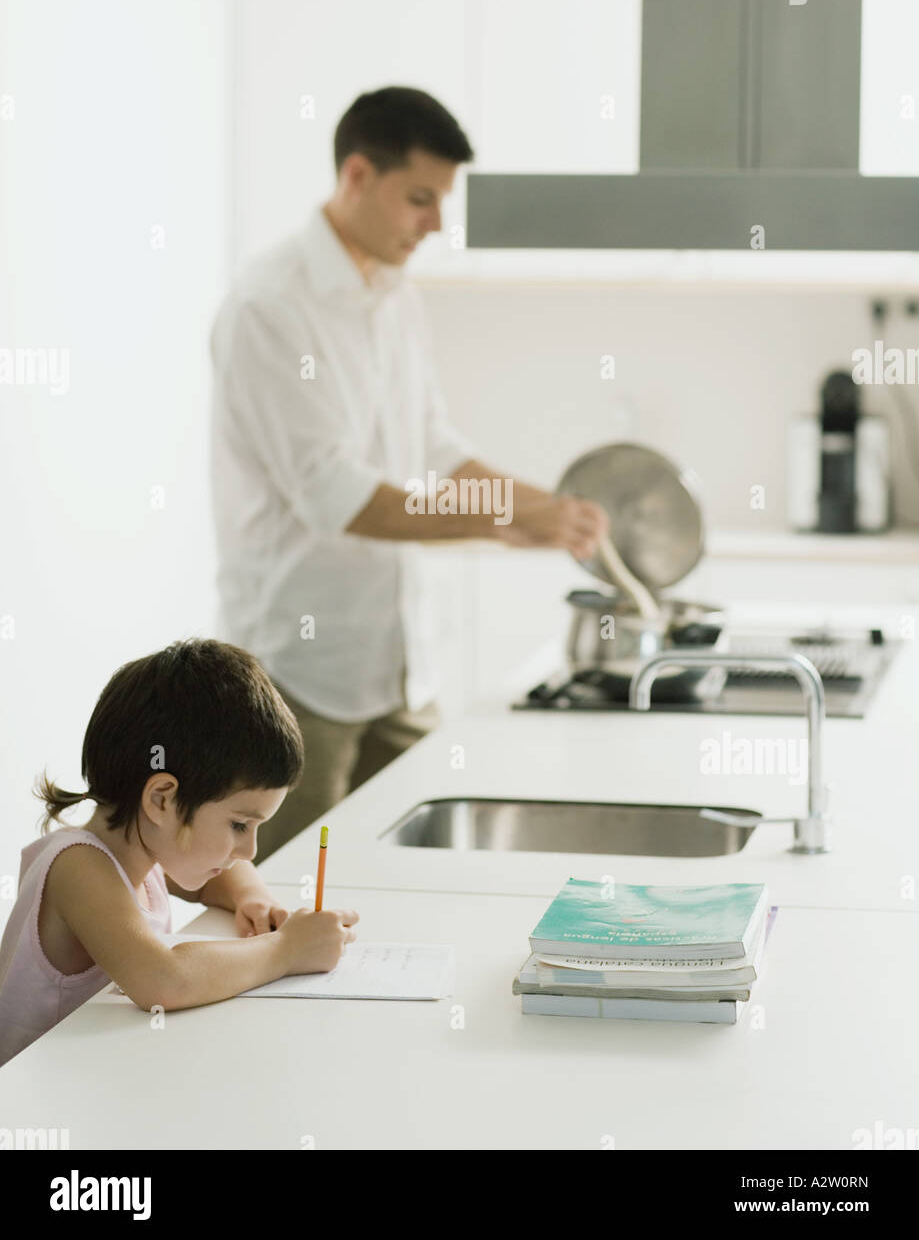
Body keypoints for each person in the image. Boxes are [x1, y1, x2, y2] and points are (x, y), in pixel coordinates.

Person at [209, 85, 609, 865]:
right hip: (301, 677)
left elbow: (432, 446)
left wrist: (546, 507)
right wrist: (505, 519)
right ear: (356, 176)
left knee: (417, 884)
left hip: (398, 666)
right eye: (419, 199)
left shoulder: (391, 294)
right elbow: (337, 496)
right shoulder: (270, 307)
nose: (435, 223)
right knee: (287, 901)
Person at [0, 638, 359, 1068]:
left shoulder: (141, 847)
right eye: (239, 825)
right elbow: (162, 980)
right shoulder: (78, 866)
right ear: (162, 800)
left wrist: (254, 899)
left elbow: (224, 877)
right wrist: (286, 949)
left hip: (92, 1072)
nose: (248, 850)